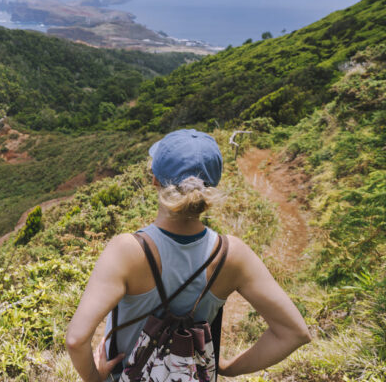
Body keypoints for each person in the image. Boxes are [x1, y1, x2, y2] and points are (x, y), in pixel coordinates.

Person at [66, 129, 311, 382]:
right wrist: (225, 367)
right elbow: (294, 332)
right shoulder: (232, 255)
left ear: (155, 181)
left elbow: (76, 340)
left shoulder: (127, 250)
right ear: (210, 188)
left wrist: (96, 379)